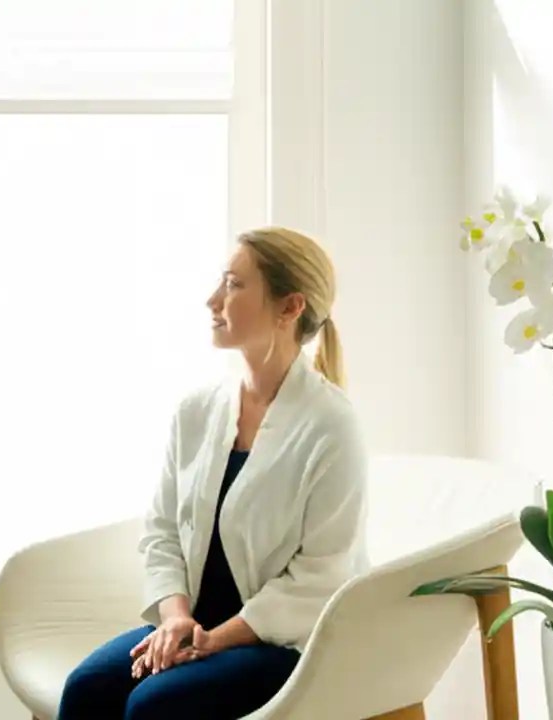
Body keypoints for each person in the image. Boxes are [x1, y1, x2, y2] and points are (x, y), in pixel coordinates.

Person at [57, 227, 369, 720]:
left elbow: (320, 578)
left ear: (290, 308)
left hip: (284, 642)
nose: (212, 299)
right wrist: (176, 620)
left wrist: (213, 641)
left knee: (154, 706)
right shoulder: (197, 410)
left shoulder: (332, 426)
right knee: (86, 689)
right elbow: (162, 533)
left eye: (233, 285)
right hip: (194, 624)